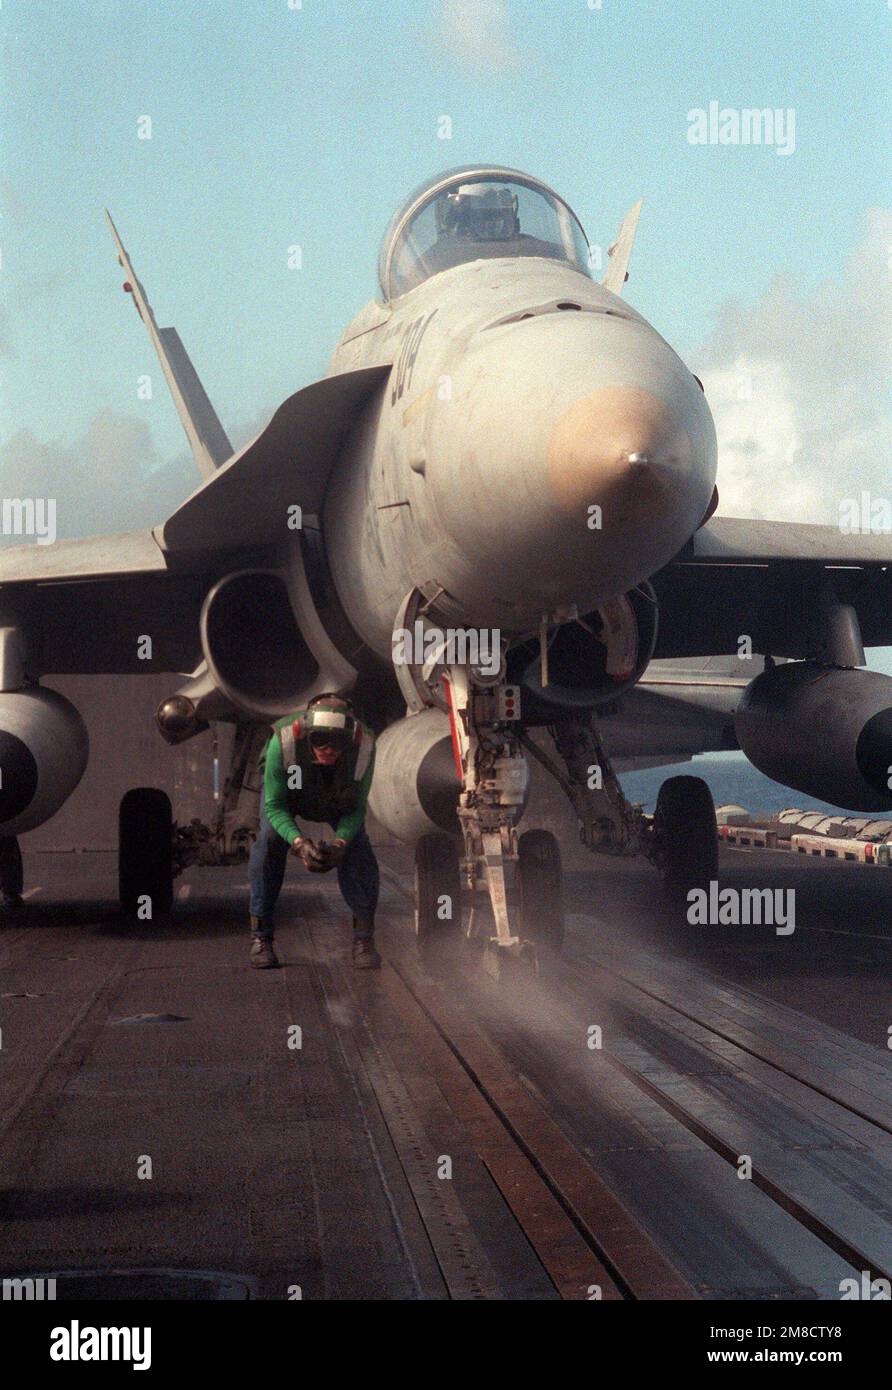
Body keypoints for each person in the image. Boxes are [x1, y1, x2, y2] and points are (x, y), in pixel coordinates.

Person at [248, 693, 380, 971]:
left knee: (358, 850)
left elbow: (356, 811)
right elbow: (274, 805)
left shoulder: (366, 745)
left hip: (338, 798)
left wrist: (341, 842)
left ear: (352, 739)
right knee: (269, 842)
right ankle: (261, 937)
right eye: (320, 740)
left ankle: (364, 939)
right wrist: (298, 843)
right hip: (290, 795)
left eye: (338, 742)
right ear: (305, 735)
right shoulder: (282, 742)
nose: (328, 750)